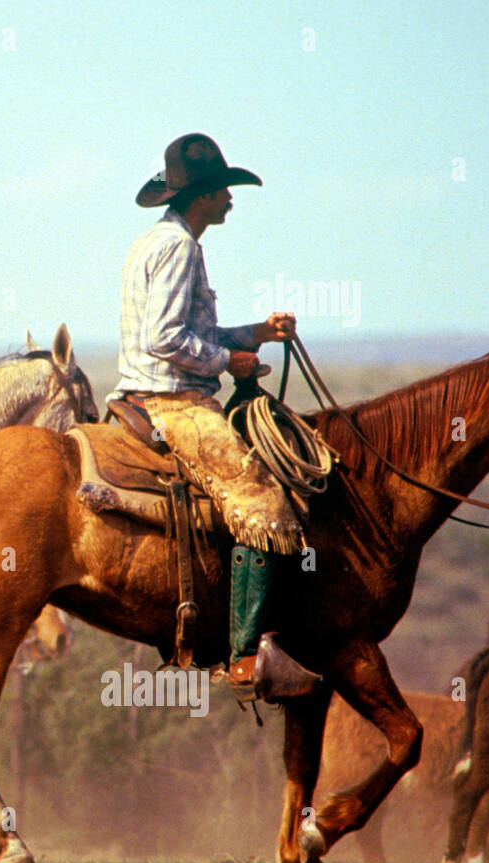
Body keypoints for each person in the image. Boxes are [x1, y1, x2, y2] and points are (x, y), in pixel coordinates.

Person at [112, 133, 318, 700]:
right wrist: (231, 360)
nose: (231, 199)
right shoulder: (180, 248)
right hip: (172, 399)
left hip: (156, 390)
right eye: (223, 190)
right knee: (263, 503)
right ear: (201, 196)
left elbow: (189, 333)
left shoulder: (162, 241)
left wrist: (255, 334)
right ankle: (247, 657)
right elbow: (165, 339)